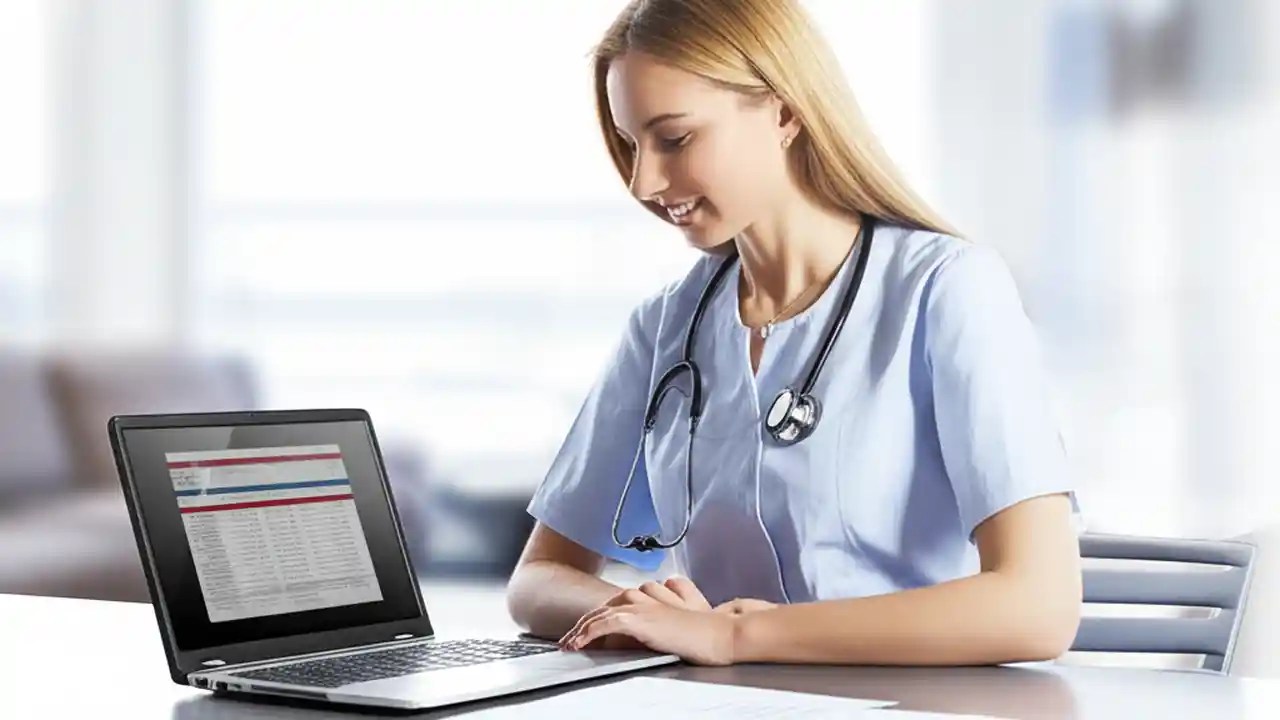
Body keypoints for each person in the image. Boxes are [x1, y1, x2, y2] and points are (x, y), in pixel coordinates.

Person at [505, 0, 1082, 667]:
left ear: (784, 113)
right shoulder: (667, 325)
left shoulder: (947, 289)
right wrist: (657, 618)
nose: (644, 181)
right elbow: (537, 580)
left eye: (675, 139)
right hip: (718, 706)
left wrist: (734, 636)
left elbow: (1039, 605)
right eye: (632, 145)